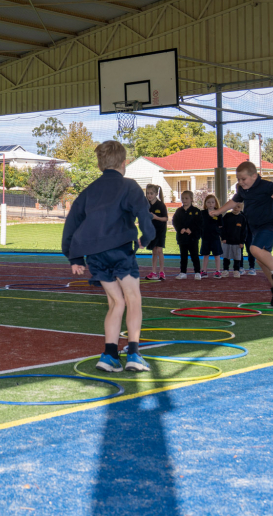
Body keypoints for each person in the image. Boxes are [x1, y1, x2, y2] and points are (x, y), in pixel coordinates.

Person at [63, 140, 156, 373]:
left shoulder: (89, 190)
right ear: (124, 163)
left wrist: (74, 258)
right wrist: (147, 237)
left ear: (99, 165)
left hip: (95, 255)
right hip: (120, 250)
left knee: (116, 302)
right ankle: (134, 354)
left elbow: (71, 223)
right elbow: (144, 214)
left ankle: (109, 355)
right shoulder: (129, 186)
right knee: (133, 298)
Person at [211, 161, 273, 306]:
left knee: (254, 249)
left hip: (270, 226)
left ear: (254, 176)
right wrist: (218, 211)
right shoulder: (242, 189)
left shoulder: (266, 186)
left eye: (243, 179)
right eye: (238, 179)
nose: (240, 182)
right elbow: (234, 201)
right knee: (261, 259)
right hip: (256, 229)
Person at [172, 190, 202, 280]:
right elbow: (175, 221)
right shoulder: (179, 211)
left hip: (193, 238)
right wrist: (180, 229)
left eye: (186, 198)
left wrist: (191, 230)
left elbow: (199, 223)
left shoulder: (196, 211)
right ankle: (183, 272)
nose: (184, 200)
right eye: (183, 198)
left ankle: (197, 272)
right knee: (183, 256)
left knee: (194, 255)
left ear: (191, 199)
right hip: (182, 238)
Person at [144, 184, 169, 281]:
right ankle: (153, 272)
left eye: (151, 193)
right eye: (148, 193)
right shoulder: (146, 205)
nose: (149, 195)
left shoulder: (161, 205)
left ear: (156, 194)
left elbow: (165, 218)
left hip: (160, 231)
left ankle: (162, 272)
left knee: (159, 250)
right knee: (154, 251)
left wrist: (156, 217)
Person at [221, 202, 248, 278]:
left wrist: (242, 242)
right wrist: (223, 238)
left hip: (237, 242)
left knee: (237, 257)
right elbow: (223, 228)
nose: (236, 208)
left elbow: (244, 231)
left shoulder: (242, 218)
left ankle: (236, 270)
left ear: (241, 208)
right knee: (226, 257)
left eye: (238, 207)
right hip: (227, 241)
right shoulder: (227, 216)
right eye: (235, 206)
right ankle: (225, 270)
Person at [200, 194, 224, 279]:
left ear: (215, 203)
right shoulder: (202, 213)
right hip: (205, 238)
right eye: (208, 202)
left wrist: (219, 234)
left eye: (212, 202)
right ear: (205, 203)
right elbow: (199, 224)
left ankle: (218, 271)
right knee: (205, 255)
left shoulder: (218, 213)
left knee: (217, 255)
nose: (211, 204)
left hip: (215, 238)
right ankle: (204, 271)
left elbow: (221, 226)